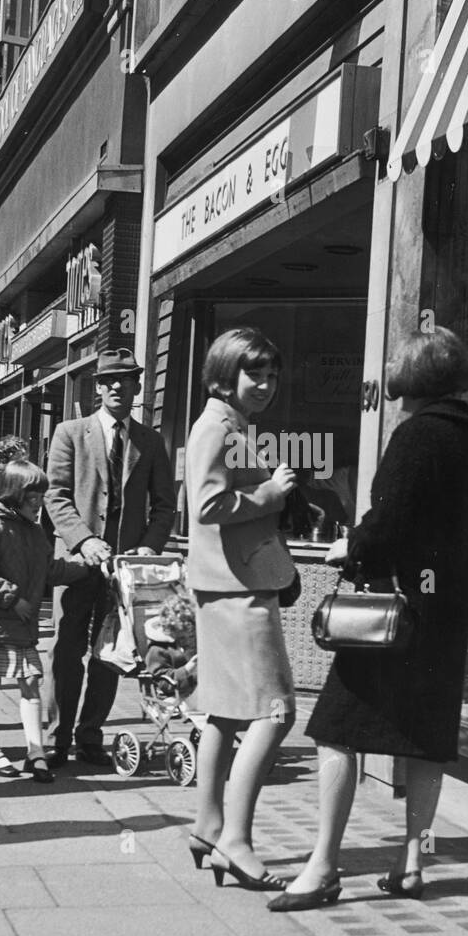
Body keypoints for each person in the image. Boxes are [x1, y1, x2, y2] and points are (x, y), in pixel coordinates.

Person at [271, 327, 468, 910]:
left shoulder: (415, 436)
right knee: (425, 739)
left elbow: (391, 520)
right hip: (444, 610)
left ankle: (321, 866)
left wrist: (354, 546)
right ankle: (414, 862)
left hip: (396, 615)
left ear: (413, 378)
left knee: (334, 731)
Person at [184, 327, 298, 891]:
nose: (265, 384)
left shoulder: (225, 424)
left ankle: (209, 825)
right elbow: (207, 503)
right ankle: (236, 841)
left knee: (226, 714)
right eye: (254, 373)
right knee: (276, 712)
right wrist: (271, 495)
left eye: (272, 375)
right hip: (237, 589)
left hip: (225, 584)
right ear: (226, 374)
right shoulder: (220, 427)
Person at [42, 348, 176, 767]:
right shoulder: (69, 432)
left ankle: (89, 737)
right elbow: (56, 495)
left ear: (138, 386)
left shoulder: (150, 441)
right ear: (98, 387)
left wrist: (149, 547)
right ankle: (56, 738)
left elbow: (165, 506)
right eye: (109, 381)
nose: (118, 386)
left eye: (127, 379)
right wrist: (83, 541)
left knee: (111, 654)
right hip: (78, 565)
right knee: (66, 652)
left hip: (124, 575)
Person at [0, 457, 84, 782]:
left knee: (30, 683)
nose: (40, 504)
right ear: (15, 494)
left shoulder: (32, 531)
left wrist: (84, 567)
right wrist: (13, 598)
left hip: (19, 626)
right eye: (34, 497)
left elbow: (50, 570)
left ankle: (35, 752)